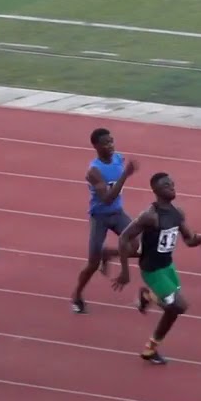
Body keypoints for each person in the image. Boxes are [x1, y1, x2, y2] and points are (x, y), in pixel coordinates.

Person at [112, 172, 201, 364]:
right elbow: (123, 238)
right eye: (166, 185)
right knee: (179, 306)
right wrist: (124, 271)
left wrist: (197, 240)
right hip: (152, 270)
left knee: (173, 309)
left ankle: (148, 299)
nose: (172, 187)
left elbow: (188, 240)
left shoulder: (177, 213)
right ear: (155, 190)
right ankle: (150, 347)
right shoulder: (150, 216)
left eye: (172, 184)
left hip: (167, 267)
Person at [71, 127, 138, 314]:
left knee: (136, 247)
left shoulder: (119, 159)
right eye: (105, 143)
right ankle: (76, 295)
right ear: (96, 146)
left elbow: (114, 199)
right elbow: (107, 198)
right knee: (92, 263)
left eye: (112, 141)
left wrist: (124, 171)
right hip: (100, 216)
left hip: (117, 214)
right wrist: (126, 175)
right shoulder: (94, 171)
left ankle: (109, 253)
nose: (110, 145)